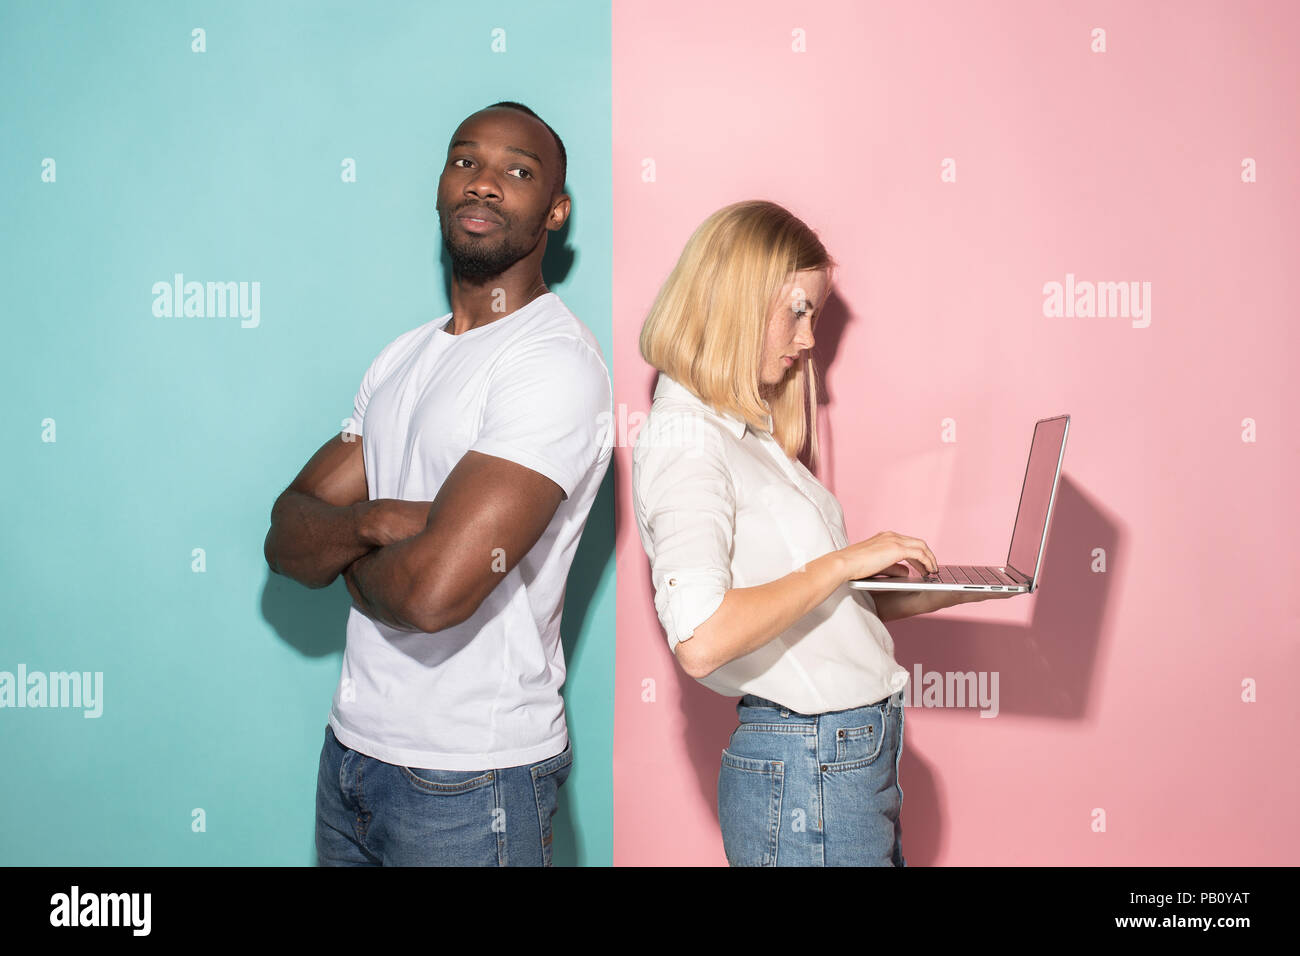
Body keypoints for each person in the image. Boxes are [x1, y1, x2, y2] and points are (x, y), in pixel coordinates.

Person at [264, 102, 613, 866]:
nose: (484, 183)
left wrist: (350, 544)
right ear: (440, 187)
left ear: (556, 212)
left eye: (518, 171)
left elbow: (433, 595)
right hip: (352, 754)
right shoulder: (400, 360)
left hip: (471, 777)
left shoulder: (552, 365)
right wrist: (379, 520)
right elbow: (286, 536)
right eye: (466, 161)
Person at [631, 199, 1014, 867]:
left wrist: (959, 588)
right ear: (735, 299)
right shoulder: (686, 439)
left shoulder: (740, 434)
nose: (808, 341)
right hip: (810, 763)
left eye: (816, 314)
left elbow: (814, 613)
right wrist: (843, 562)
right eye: (798, 309)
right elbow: (700, 639)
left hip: (840, 758)